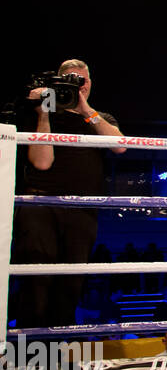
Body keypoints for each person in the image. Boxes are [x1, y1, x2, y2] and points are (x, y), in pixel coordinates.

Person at [14, 59, 126, 329]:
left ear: (90, 84)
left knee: (72, 281)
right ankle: (30, 353)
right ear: (58, 81)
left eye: (83, 80)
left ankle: (59, 350)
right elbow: (42, 162)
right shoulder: (41, 113)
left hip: (83, 209)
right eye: (71, 80)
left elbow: (120, 146)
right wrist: (43, 113)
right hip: (41, 205)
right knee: (37, 280)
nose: (78, 86)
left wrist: (84, 107)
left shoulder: (99, 118)